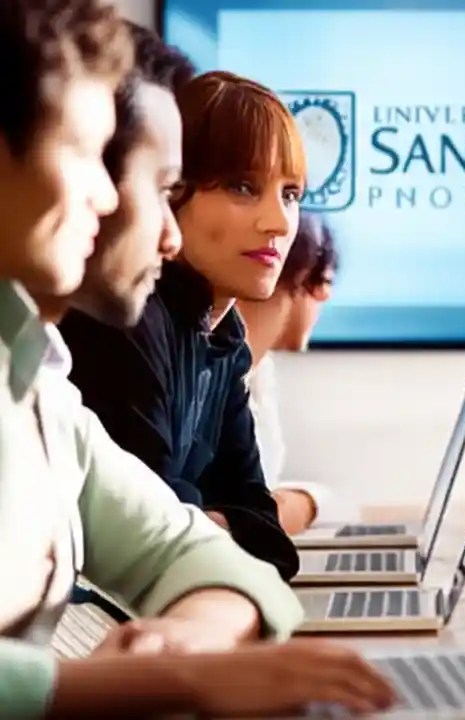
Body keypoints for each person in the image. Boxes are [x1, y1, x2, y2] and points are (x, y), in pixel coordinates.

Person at [0, 3, 393, 716]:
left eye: (291, 195)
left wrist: (182, 643)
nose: (106, 196)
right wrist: (176, 678)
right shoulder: (104, 346)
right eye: (84, 152)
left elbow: (219, 551)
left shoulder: (42, 388)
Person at [59, 69, 306, 580]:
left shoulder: (224, 337)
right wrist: (212, 522)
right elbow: (150, 541)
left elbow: (271, 541)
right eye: (243, 187)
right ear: (174, 192)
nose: (279, 223)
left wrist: (201, 519)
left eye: (290, 194)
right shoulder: (132, 321)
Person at [237, 212, 346, 533]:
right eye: (326, 281)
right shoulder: (211, 372)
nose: (325, 296)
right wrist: (282, 509)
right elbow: (247, 515)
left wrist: (302, 503)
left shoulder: (260, 371)